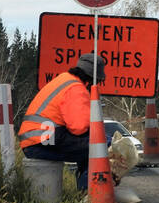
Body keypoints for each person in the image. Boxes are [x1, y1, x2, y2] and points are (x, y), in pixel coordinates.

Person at [18, 52, 104, 192]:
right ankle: (90, 193)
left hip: (35, 141)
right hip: (42, 142)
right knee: (100, 146)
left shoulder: (64, 79)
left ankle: (86, 189)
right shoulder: (76, 88)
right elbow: (79, 128)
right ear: (92, 79)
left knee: (89, 145)